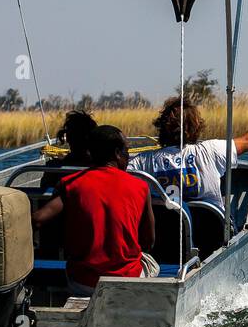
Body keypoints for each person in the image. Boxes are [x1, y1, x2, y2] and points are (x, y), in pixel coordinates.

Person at [32, 125, 158, 293]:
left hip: (83, 282)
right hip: (128, 278)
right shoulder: (140, 186)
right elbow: (148, 242)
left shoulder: (71, 184)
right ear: (116, 153)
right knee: (152, 264)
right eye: (126, 150)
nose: (128, 156)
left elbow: (38, 219)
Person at [130, 96, 248, 209]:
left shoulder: (142, 162)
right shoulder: (210, 151)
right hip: (211, 235)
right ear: (196, 127)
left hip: (167, 238)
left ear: (161, 128)